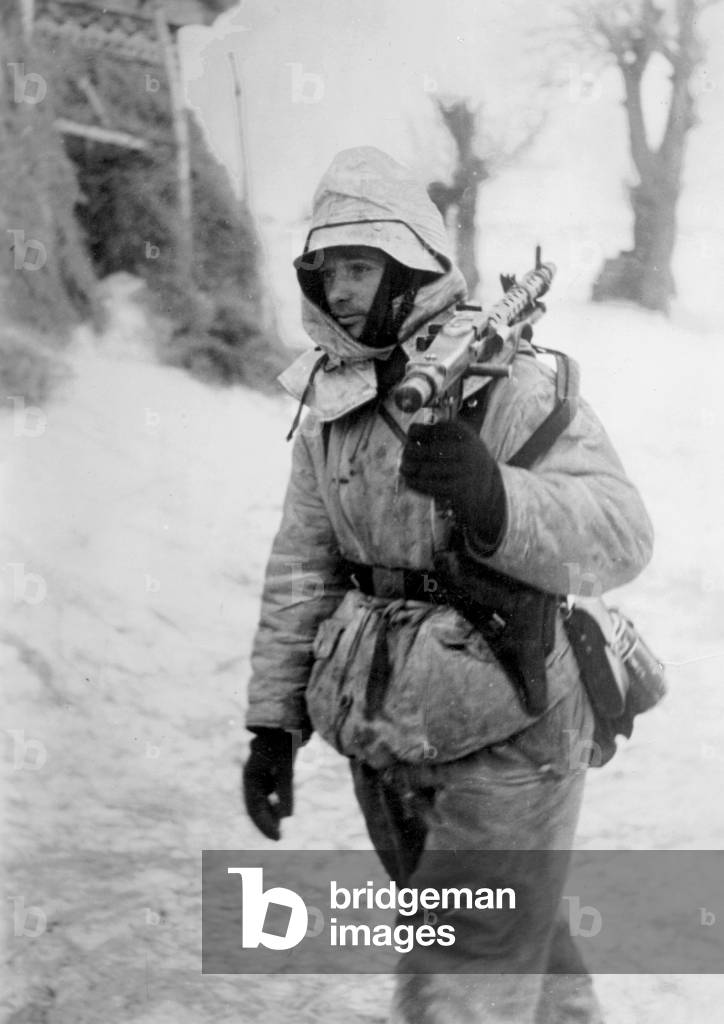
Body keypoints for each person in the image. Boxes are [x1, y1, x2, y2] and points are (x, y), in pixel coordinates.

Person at [242, 146, 654, 1023]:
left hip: (515, 719)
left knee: (462, 973)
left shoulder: (504, 381)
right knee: (512, 956)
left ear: (411, 266)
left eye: (363, 268)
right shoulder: (335, 397)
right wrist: (272, 725)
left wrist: (494, 495)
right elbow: (302, 566)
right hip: (386, 728)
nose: (344, 290)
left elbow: (622, 533)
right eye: (329, 272)